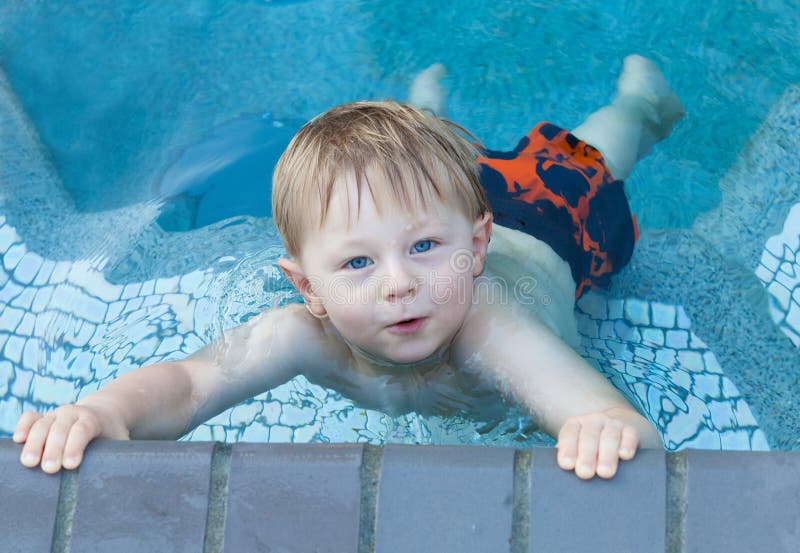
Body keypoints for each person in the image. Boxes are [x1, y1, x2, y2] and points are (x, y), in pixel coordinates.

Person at [14, 54, 683, 479]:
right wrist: (104, 412)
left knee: (594, 154)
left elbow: (608, 415)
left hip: (549, 222)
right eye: (357, 261)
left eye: (423, 251)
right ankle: (424, 115)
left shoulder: (490, 328)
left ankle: (639, 104)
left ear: (475, 248)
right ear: (308, 287)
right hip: (433, 198)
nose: (399, 282)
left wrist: (603, 426)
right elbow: (189, 385)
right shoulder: (302, 334)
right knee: (410, 176)